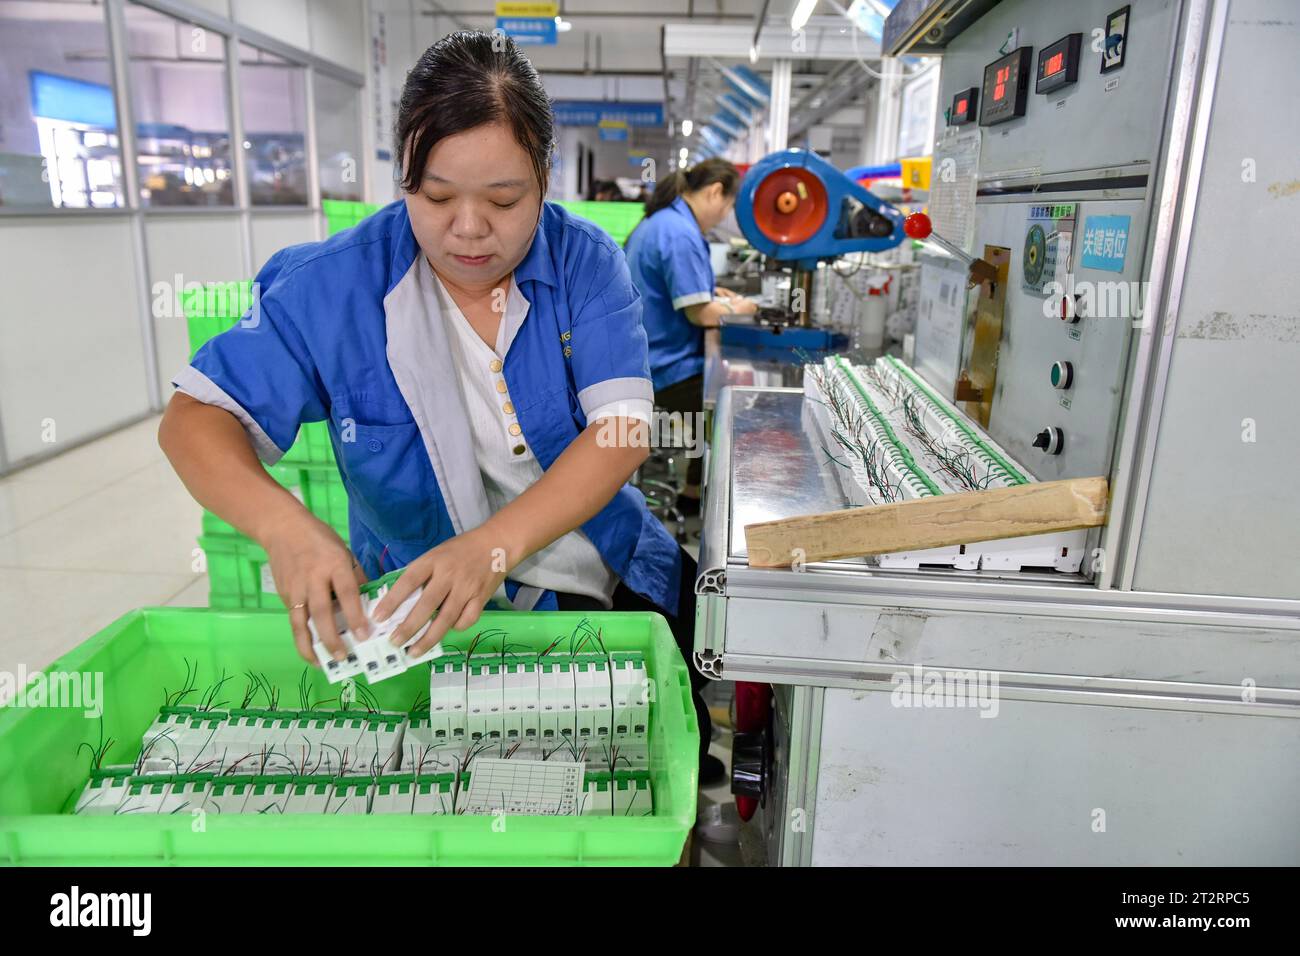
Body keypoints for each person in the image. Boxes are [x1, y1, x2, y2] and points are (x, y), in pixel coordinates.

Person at [158, 31, 722, 784]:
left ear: (544, 178)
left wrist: (493, 547)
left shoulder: (586, 262)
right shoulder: (334, 286)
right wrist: (285, 527)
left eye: (502, 199)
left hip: (593, 574)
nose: (467, 228)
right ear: (404, 178)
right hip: (427, 612)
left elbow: (619, 432)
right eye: (436, 196)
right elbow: (193, 421)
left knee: (635, 765)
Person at [624, 159, 758, 515]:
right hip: (664, 368)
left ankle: (696, 489)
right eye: (729, 206)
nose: (725, 215)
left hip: (645, 357)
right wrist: (746, 309)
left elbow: (685, 293)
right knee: (734, 407)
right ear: (715, 192)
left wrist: (717, 293)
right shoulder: (679, 232)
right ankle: (697, 496)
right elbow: (699, 313)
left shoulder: (664, 222)